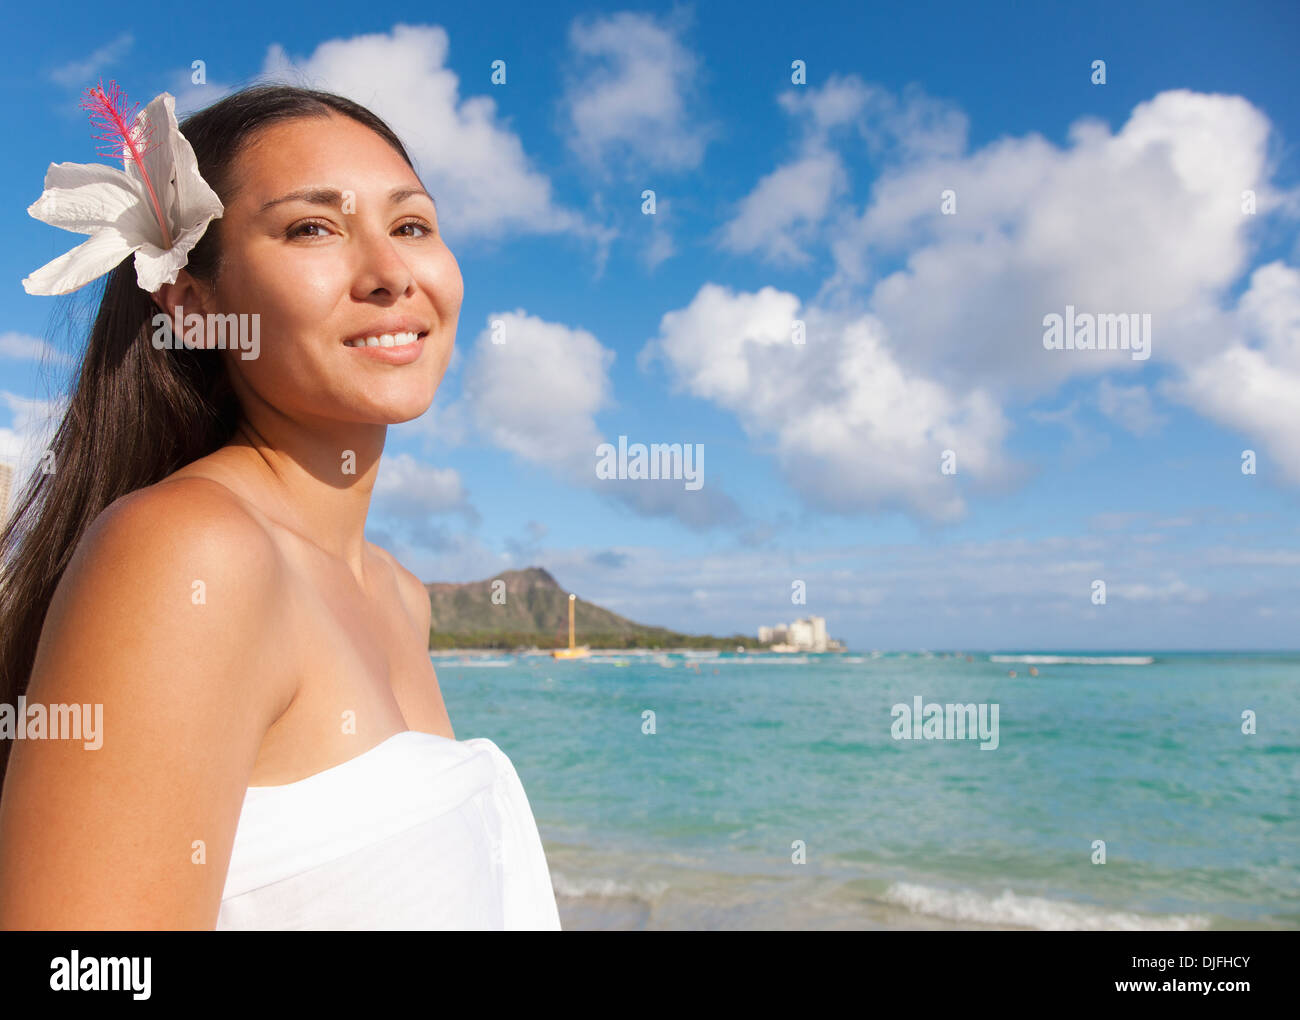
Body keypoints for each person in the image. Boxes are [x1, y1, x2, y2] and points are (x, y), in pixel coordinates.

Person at [0, 82, 561, 930]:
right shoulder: (191, 551)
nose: (390, 274)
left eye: (410, 225)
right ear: (192, 304)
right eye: (313, 227)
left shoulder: (399, 595)